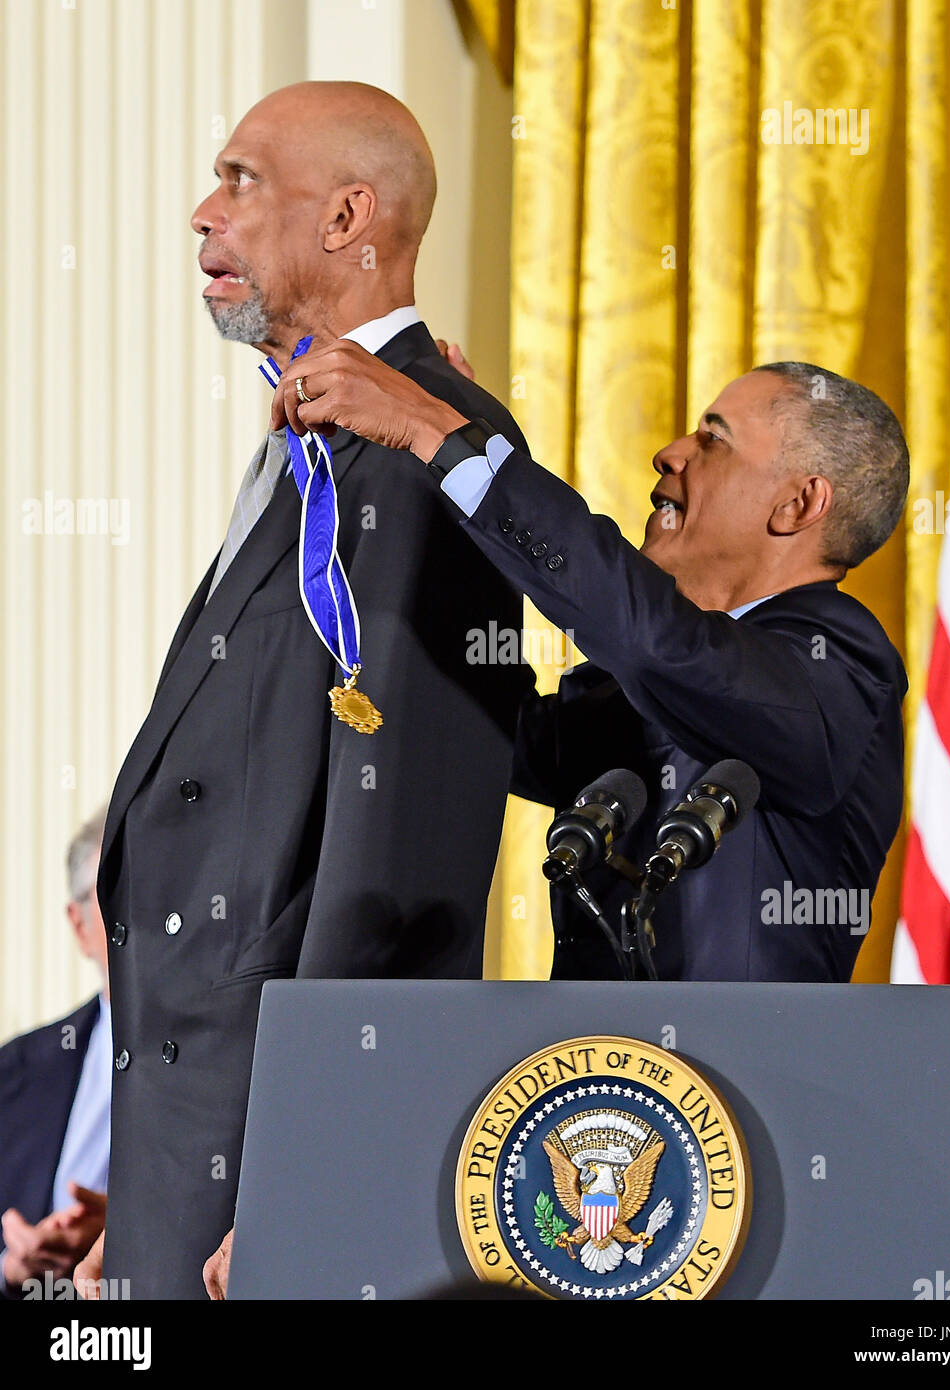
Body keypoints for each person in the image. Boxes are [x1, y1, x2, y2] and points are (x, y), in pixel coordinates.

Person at [77, 82, 528, 1301]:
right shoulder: (311, 435)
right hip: (194, 1137)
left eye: (239, 182)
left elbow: (403, 844)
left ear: (346, 219)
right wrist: (154, 1177)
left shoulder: (431, 440)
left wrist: (311, 1167)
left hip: (273, 1161)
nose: (199, 213)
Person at [266, 337, 909, 985]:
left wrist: (444, 435)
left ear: (797, 504)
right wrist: (426, 486)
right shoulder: (632, 679)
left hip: (738, 1083)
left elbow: (657, 643)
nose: (669, 452)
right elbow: (488, 724)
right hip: (589, 1076)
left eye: (713, 439)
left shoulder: (841, 662)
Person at [0, 808, 110, 1298]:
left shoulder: (255, 1065)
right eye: (117, 892)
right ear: (79, 924)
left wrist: (126, 1232)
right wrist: (12, 1268)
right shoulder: (13, 1071)